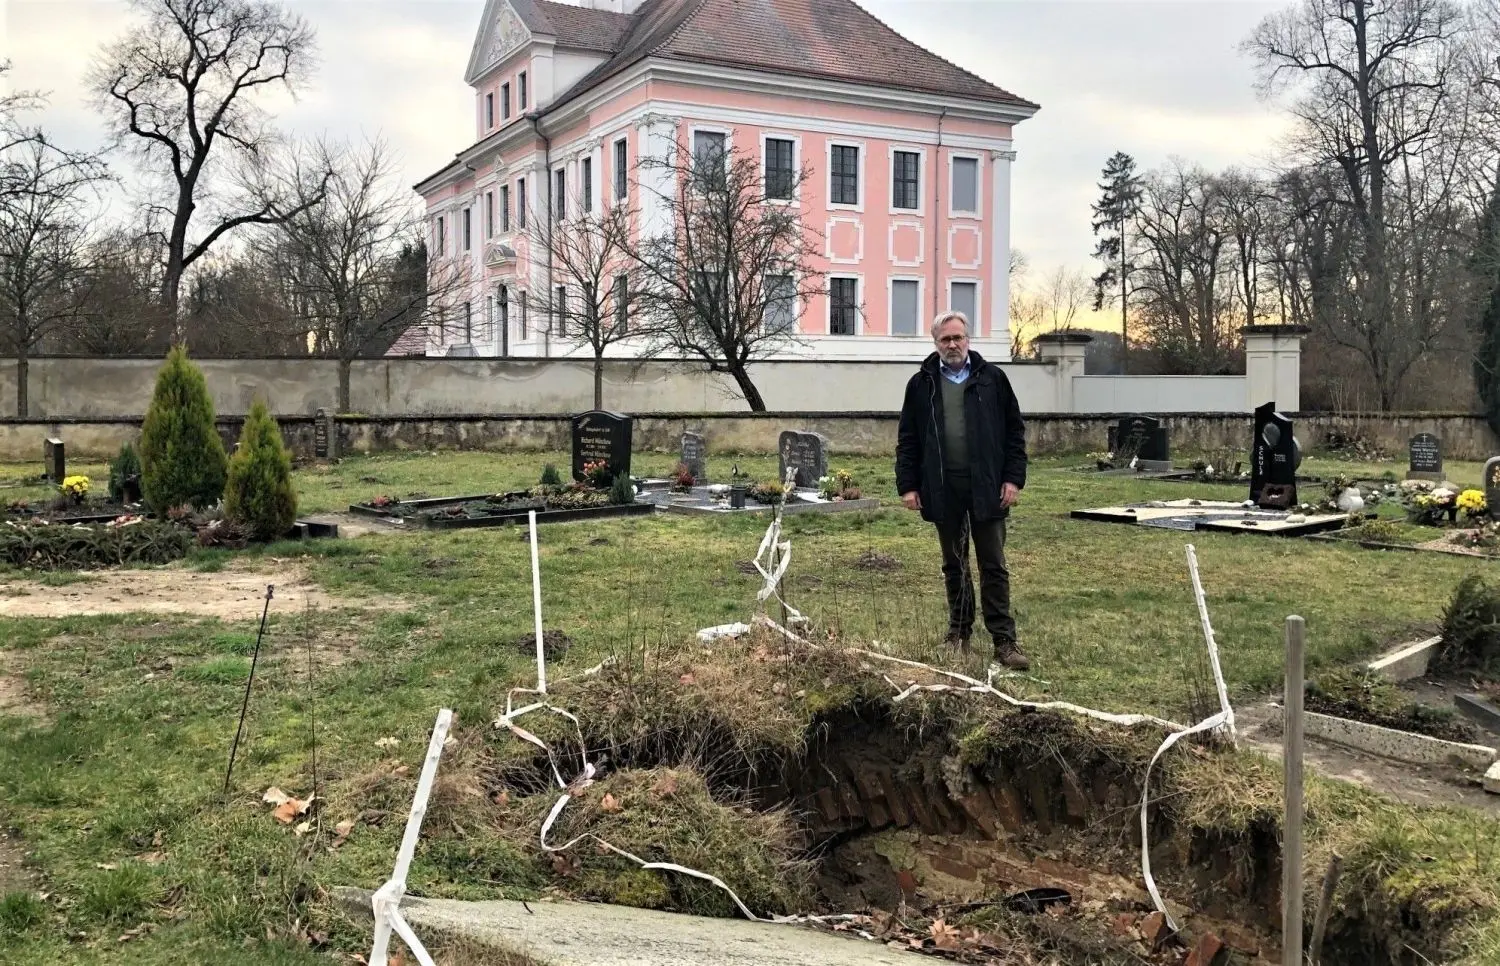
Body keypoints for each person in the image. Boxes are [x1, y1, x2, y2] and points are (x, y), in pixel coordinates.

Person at [894, 311, 1030, 669]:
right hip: (943, 487)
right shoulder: (921, 384)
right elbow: (908, 439)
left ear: (968, 339)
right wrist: (908, 485)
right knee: (954, 564)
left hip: (987, 487)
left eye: (958, 338)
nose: (952, 345)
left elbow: (1015, 433)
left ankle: (1004, 641)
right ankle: (959, 633)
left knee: (993, 564)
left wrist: (1013, 479)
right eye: (945, 339)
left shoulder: (993, 380)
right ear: (935, 342)